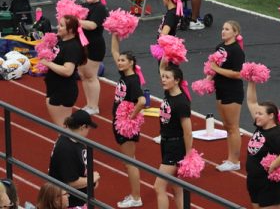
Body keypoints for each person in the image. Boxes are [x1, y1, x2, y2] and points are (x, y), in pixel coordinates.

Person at [244, 81, 280, 209]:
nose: (256, 116)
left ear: (271, 115)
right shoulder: (260, 126)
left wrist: (273, 165)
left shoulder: (277, 134)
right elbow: (251, 102)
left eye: (260, 114)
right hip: (254, 180)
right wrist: (251, 81)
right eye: (256, 113)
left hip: (269, 184)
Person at [109, 32, 146, 208]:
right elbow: (114, 51)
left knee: (130, 161)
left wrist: (131, 117)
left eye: (123, 60)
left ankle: (136, 197)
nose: (120, 62)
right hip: (119, 123)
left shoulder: (133, 81)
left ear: (131, 63)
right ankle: (134, 195)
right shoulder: (125, 76)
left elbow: (142, 101)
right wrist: (115, 33)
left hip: (126, 126)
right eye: (120, 60)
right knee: (127, 161)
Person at [208, 21, 246, 172]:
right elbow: (213, 67)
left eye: (227, 29)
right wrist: (208, 79)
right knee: (227, 126)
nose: (223, 31)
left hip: (232, 91)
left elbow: (238, 74)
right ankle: (230, 158)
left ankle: (234, 161)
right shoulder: (220, 47)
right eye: (223, 28)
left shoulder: (237, 51)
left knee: (233, 127)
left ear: (235, 33)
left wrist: (216, 69)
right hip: (221, 89)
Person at [154, 62, 192, 209]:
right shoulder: (168, 93)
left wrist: (188, 155)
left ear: (177, 81)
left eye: (167, 77)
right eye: (163, 77)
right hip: (166, 143)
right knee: (176, 187)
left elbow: (188, 132)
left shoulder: (181, 103)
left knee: (159, 186)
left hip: (175, 147)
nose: (163, 79)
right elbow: (162, 66)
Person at [40, 15, 87, 127]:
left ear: (70, 30)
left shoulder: (72, 47)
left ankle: (68, 144)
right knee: (63, 127)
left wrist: (48, 63)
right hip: (55, 88)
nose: (58, 27)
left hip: (63, 91)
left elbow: (68, 71)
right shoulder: (61, 41)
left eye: (61, 25)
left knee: (63, 128)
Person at [48, 110, 100, 208]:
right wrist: (91, 179)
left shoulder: (76, 141)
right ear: (83, 127)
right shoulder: (66, 148)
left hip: (79, 200)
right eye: (88, 128)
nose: (88, 131)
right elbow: (71, 182)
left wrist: (91, 181)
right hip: (70, 204)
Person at [78, 0, 108, 115]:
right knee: (83, 76)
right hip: (81, 45)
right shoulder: (83, 6)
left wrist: (76, 21)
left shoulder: (100, 8)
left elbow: (92, 25)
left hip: (95, 46)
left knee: (91, 76)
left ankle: (94, 106)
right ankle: (89, 104)